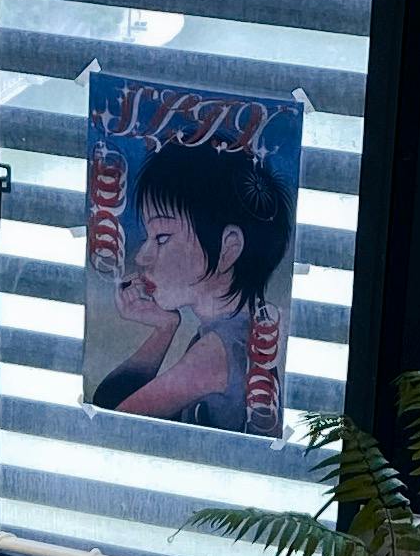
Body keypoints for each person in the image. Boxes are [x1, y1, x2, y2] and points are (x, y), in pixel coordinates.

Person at [90, 138, 293, 429]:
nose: (141, 257)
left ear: (228, 248)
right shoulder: (240, 331)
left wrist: (164, 329)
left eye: (162, 238)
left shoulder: (216, 351)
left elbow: (110, 416)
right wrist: (166, 325)